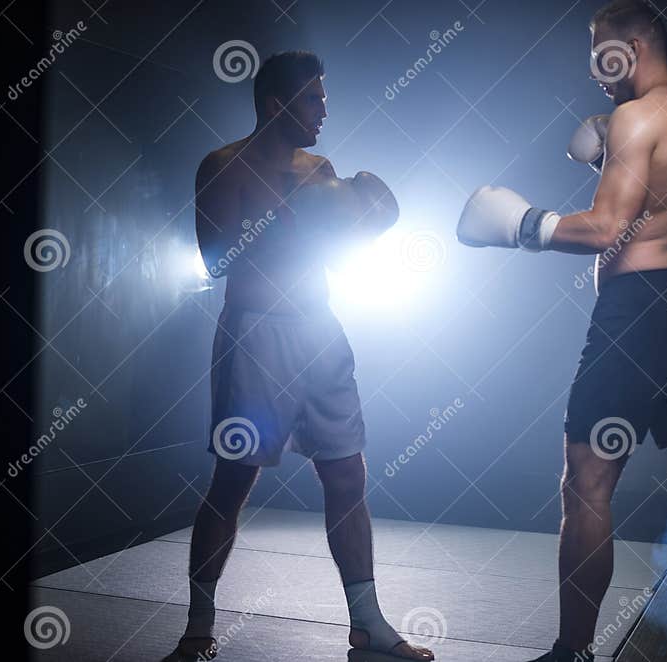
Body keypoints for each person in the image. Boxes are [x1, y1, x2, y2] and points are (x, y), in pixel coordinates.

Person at [456, 2, 667, 661]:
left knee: (586, 482)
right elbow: (660, 206)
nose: (598, 79)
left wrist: (528, 225)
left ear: (631, 47)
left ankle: (571, 652)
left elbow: (611, 229)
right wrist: (608, 156)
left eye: (602, 60)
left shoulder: (638, 118)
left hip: (635, 313)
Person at [176, 51, 434, 661]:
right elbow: (213, 262)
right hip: (256, 336)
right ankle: (197, 626)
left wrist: (350, 224)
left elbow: (335, 248)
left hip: (320, 331)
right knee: (232, 480)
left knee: (347, 473)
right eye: (314, 99)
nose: (324, 111)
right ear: (276, 105)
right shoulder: (223, 166)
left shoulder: (322, 169)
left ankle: (367, 623)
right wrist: (283, 227)